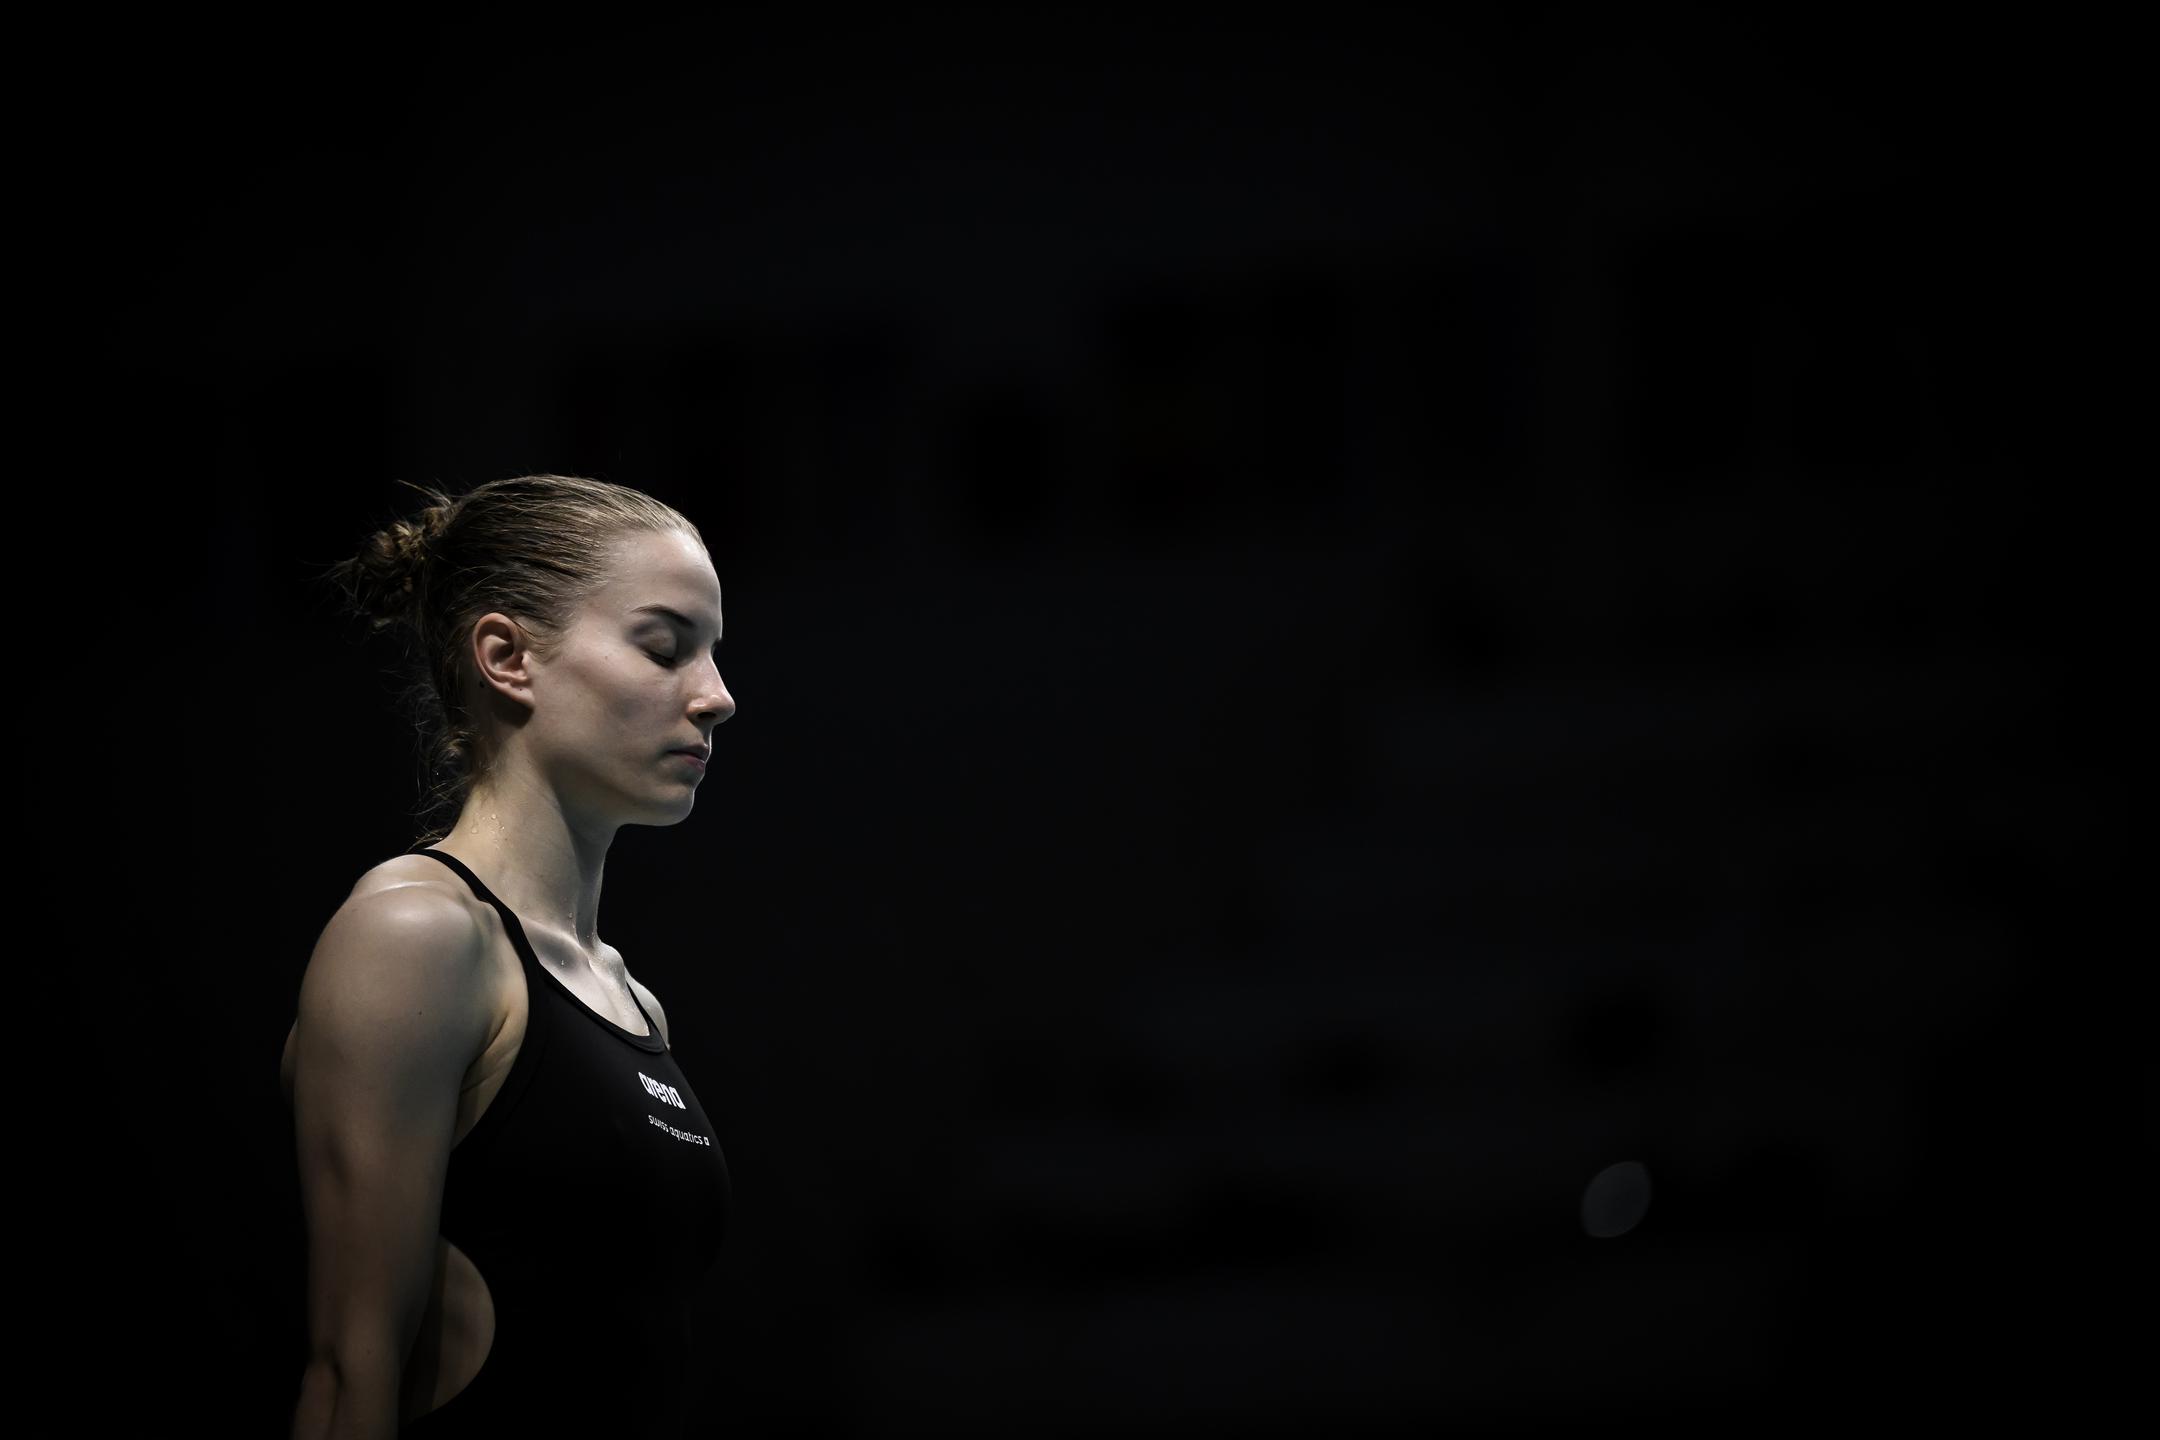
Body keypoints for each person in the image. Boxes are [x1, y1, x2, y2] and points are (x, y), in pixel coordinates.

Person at [282, 473, 737, 1438]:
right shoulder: (415, 939)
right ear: (506, 657)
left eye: (714, 654)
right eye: (665, 648)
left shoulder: (632, 1003)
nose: (718, 697)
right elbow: (345, 1372)